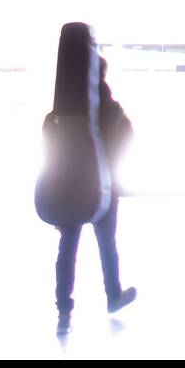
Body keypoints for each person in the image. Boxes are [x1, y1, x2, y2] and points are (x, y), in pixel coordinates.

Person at [55, 57, 136, 335]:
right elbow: (127, 139)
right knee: (106, 243)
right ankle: (113, 296)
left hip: (70, 184)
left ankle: (63, 307)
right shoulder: (111, 107)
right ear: (102, 75)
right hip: (103, 182)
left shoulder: (64, 108)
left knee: (67, 245)